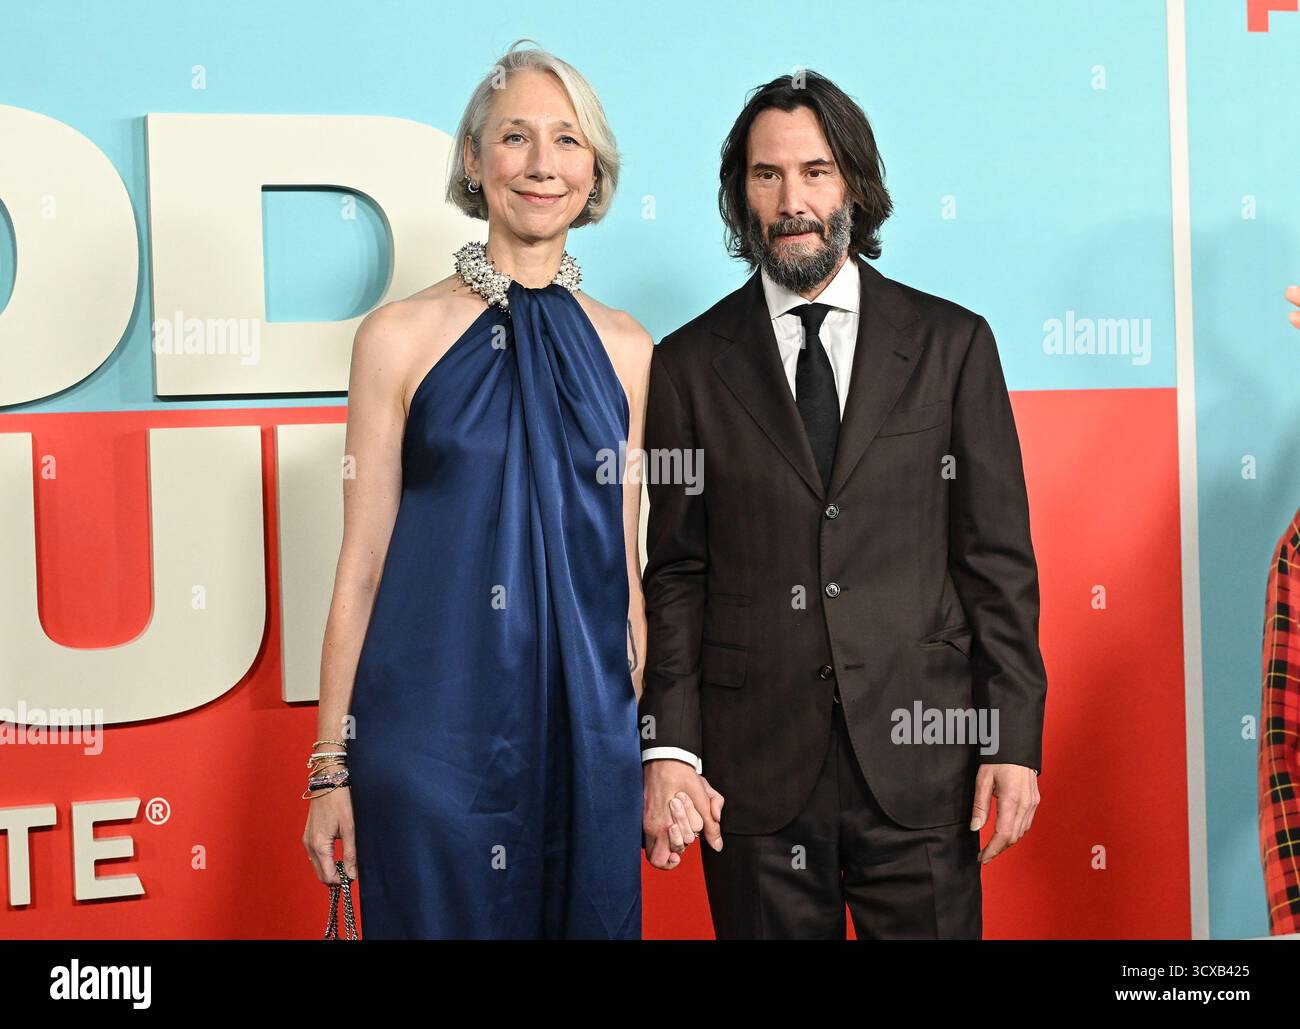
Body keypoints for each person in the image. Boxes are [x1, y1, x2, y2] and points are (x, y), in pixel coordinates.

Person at [639, 71, 1048, 939]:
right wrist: (669, 748)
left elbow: (996, 562)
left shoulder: (953, 345)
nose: (793, 201)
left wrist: (1011, 739)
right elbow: (676, 573)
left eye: (816, 172)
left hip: (923, 763)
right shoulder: (684, 364)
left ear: (855, 185)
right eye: (766, 176)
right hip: (752, 777)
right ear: (740, 196)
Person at [300, 40, 655, 939]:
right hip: (431, 738)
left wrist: (640, 746)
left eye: (567, 141)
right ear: (473, 158)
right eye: (515, 138)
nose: (542, 165)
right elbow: (361, 563)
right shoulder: (397, 336)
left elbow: (626, 572)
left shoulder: (628, 348)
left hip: (585, 735)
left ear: (594, 169)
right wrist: (330, 766)